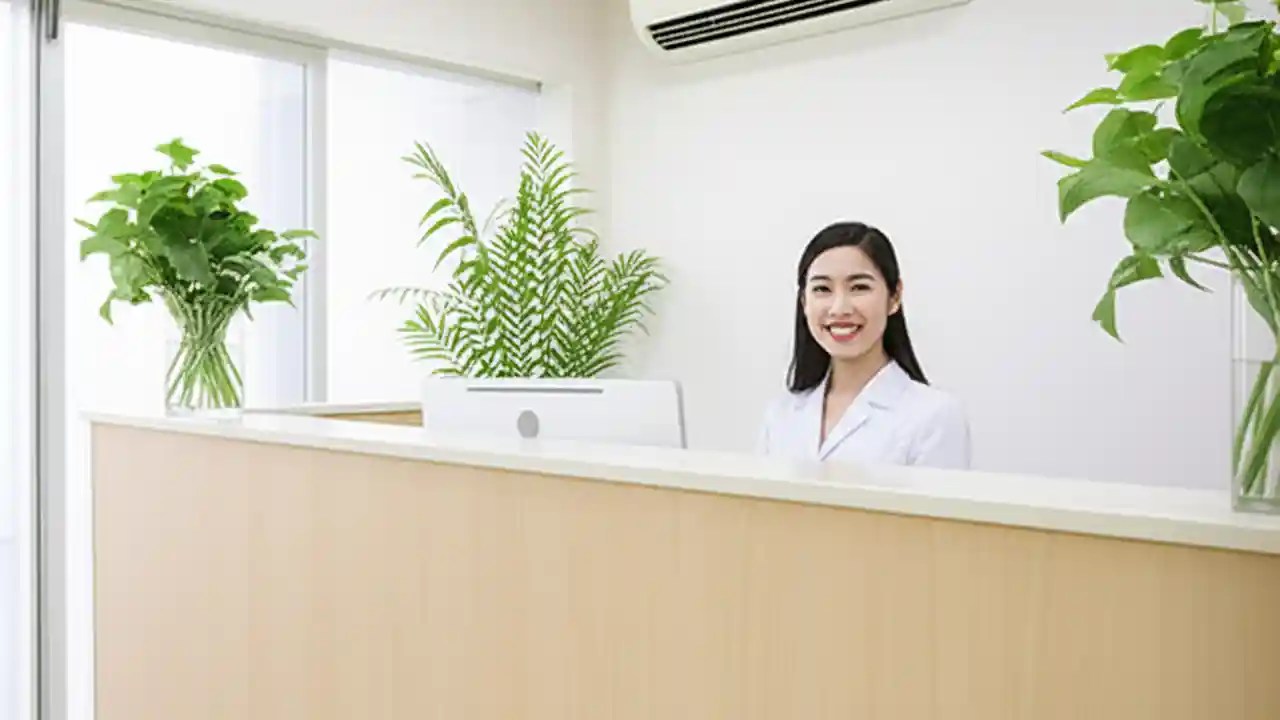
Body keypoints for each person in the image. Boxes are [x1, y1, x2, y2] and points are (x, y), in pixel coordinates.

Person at [758, 221, 971, 470]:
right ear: (804, 301)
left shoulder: (935, 416)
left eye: (859, 287)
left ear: (895, 296)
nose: (839, 308)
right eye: (822, 289)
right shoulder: (780, 414)